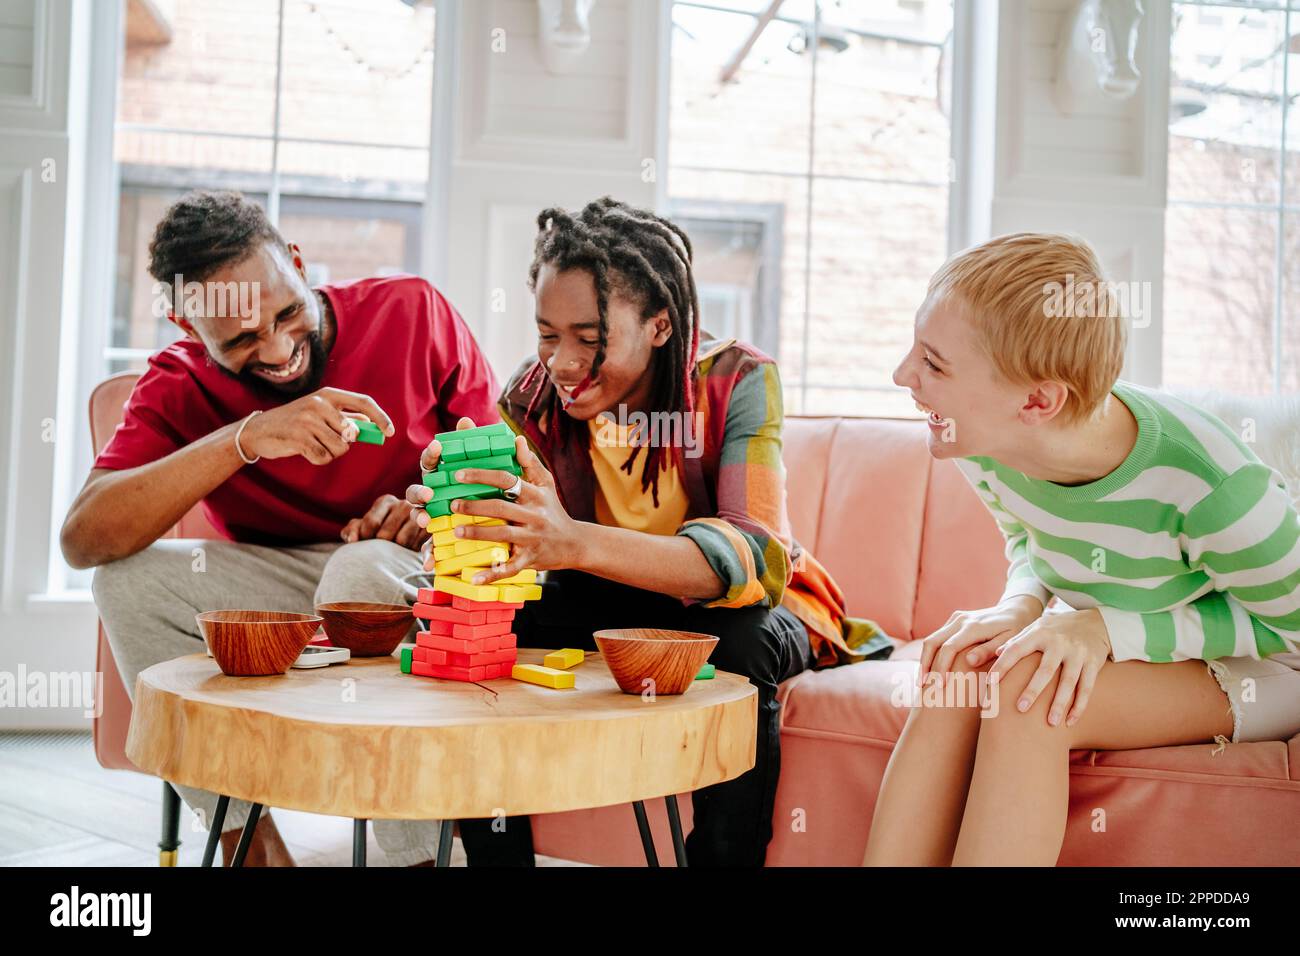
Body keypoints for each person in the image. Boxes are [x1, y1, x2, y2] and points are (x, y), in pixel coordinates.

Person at [404, 197, 891, 866]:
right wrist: (456, 512)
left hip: (739, 608)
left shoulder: (737, 380)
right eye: (548, 334)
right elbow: (502, 533)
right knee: (473, 634)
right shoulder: (532, 397)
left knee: (743, 646)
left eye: (590, 336)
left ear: (660, 325)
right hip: (607, 600)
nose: (563, 362)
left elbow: (753, 556)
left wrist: (569, 540)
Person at [64, 190, 500, 866]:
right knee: (125, 582)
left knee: (355, 574)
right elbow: (82, 540)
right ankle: (254, 851)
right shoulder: (177, 385)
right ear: (187, 326)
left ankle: (420, 857)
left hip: (404, 572)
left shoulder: (412, 311)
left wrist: (428, 511)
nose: (279, 349)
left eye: (288, 311)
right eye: (239, 340)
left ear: (297, 264)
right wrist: (246, 438)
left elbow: (505, 476)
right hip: (281, 587)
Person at [864, 232, 1300, 866]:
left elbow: (1287, 628)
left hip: (1264, 668)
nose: (903, 375)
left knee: (1027, 691)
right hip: (1122, 638)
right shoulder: (984, 443)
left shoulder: (1215, 488)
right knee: (957, 667)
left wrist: (1108, 630)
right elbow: (1028, 538)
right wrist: (1020, 606)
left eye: (934, 363)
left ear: (1038, 400)